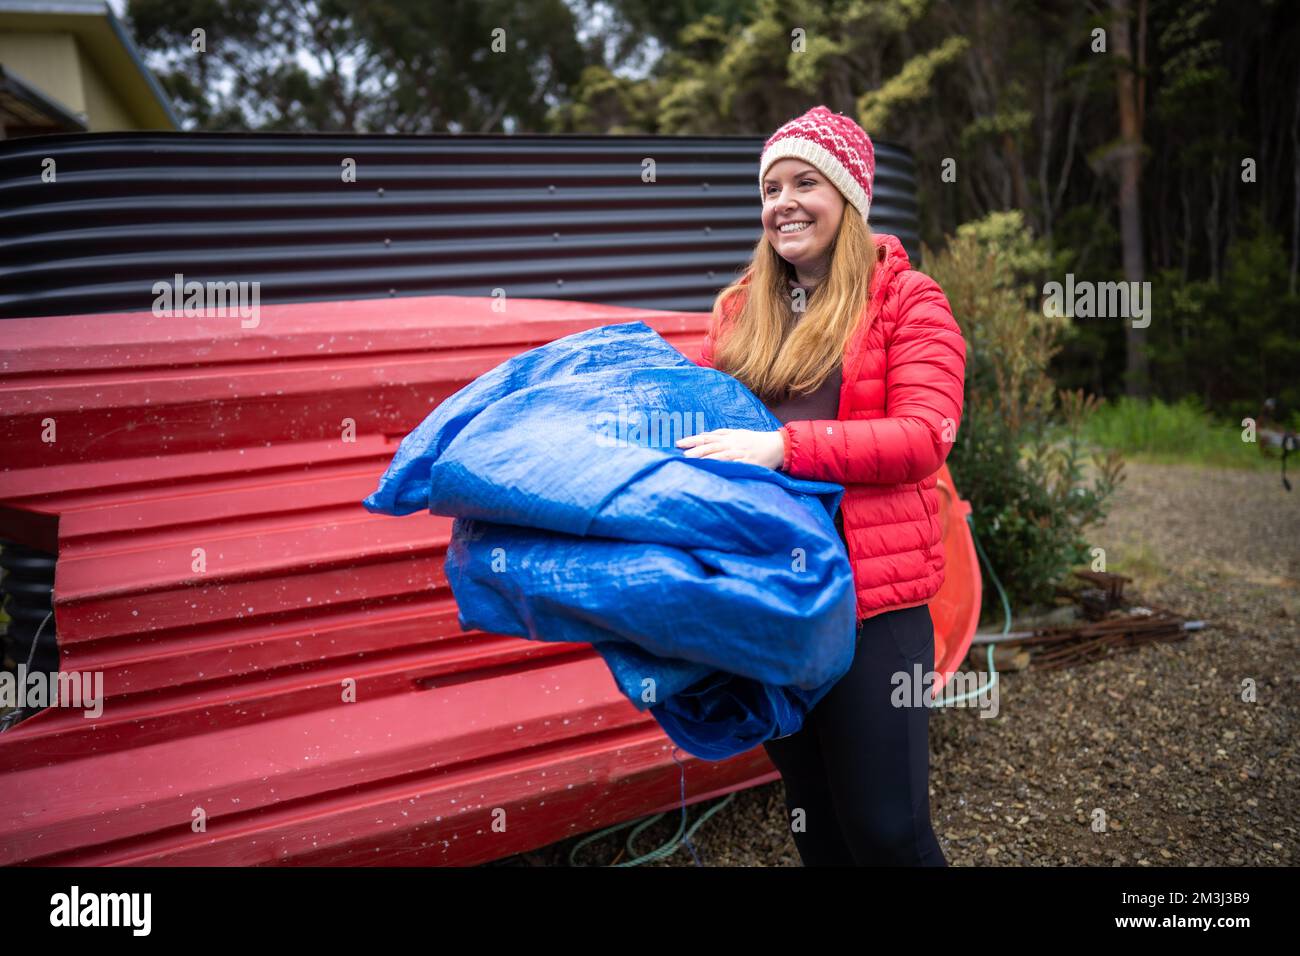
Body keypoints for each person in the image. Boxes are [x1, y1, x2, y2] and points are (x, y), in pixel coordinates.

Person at [677, 105, 965, 866]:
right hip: (773, 600)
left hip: (875, 605)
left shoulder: (908, 300)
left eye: (806, 181)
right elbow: (701, 426)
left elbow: (924, 435)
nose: (783, 202)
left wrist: (783, 446)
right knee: (818, 827)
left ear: (849, 195)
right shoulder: (743, 310)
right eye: (771, 187)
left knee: (887, 831)